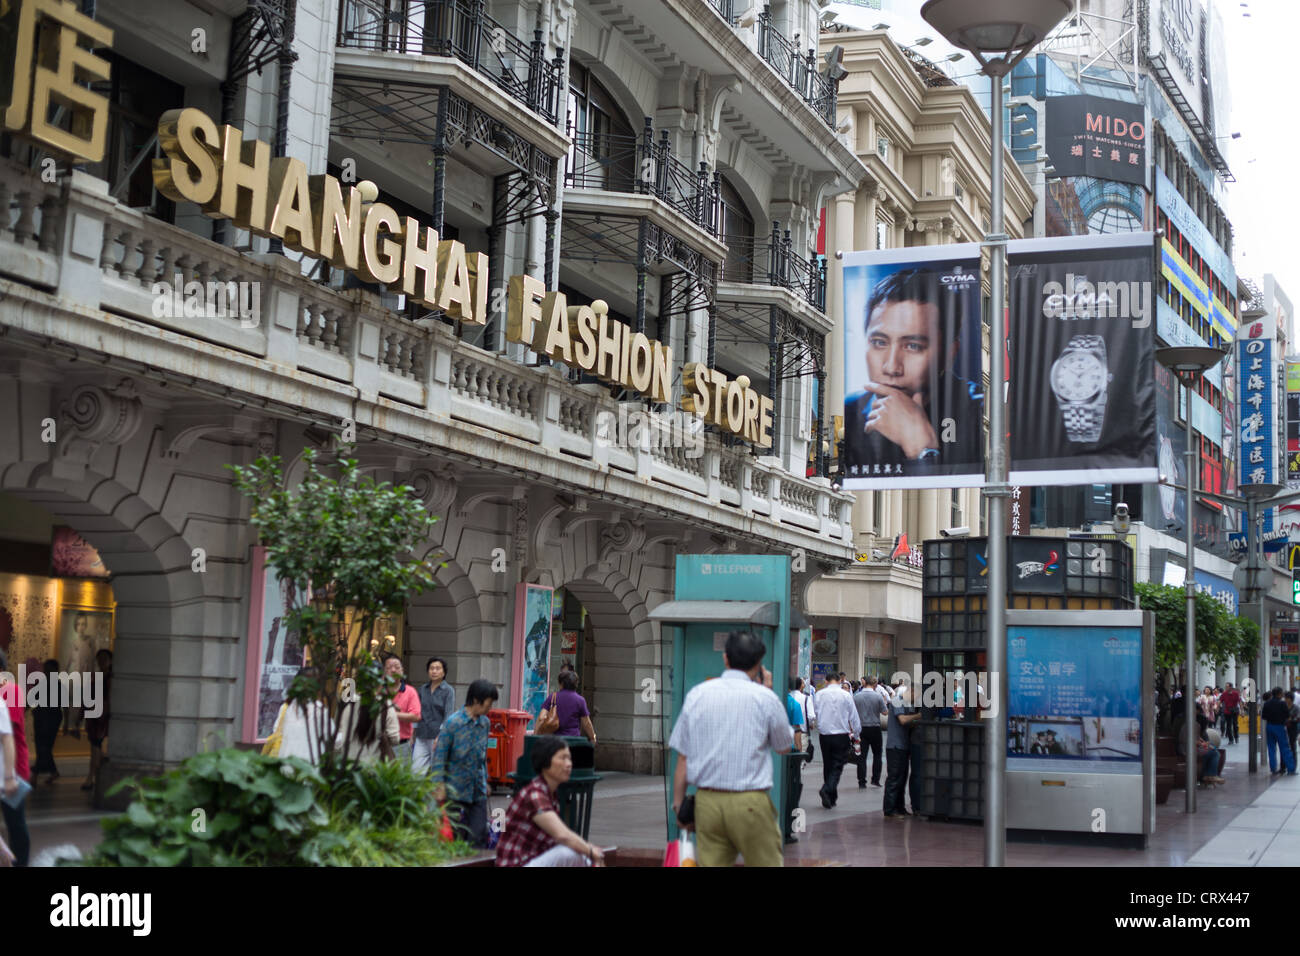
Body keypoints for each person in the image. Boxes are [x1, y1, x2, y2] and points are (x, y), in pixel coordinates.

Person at [668, 631, 792, 867]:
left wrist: (679, 805)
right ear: (759, 664)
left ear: (725, 658)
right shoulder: (765, 698)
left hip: (707, 802)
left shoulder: (698, 694)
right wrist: (767, 690)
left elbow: (683, 758)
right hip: (750, 802)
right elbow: (784, 746)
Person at [843, 267, 982, 477]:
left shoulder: (977, 410)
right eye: (879, 342)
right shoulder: (850, 410)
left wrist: (923, 450)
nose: (891, 367)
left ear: (949, 353)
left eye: (913, 346)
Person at [495, 736, 605, 867]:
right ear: (545, 762)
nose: (569, 764)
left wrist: (589, 852)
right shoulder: (535, 793)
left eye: (569, 758)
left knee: (579, 853)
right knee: (568, 853)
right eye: (562, 758)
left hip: (533, 859)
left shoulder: (550, 793)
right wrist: (590, 851)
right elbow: (562, 835)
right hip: (516, 863)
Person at [432, 678, 498, 848]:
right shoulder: (453, 723)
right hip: (454, 789)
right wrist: (439, 785)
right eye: (489, 703)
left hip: (478, 789)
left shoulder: (485, 723)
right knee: (454, 837)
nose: (490, 708)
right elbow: (440, 757)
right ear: (476, 700)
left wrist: (486, 781)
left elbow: (482, 756)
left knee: (478, 835)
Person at [813, 666, 861, 808]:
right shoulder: (846, 695)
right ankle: (827, 789)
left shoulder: (819, 694)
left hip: (825, 735)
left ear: (826, 681)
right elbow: (854, 717)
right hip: (841, 734)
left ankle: (830, 797)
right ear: (840, 681)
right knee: (838, 765)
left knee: (828, 764)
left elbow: (815, 713)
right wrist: (856, 734)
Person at [0, 650, 30, 866]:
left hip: (12, 769)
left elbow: (7, 736)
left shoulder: (11, 692)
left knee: (15, 823)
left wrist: (10, 776)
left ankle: (19, 863)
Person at [883, 683, 922, 818]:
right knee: (894, 778)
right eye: (917, 696)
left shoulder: (907, 704)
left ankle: (900, 807)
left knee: (901, 779)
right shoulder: (897, 701)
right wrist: (918, 716)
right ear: (912, 691)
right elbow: (903, 720)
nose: (917, 699)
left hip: (903, 746)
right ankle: (889, 809)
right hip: (895, 746)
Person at [333, 683, 400, 763]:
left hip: (348, 763)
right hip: (374, 763)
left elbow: (337, 736)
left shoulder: (347, 702)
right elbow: (395, 739)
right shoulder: (385, 704)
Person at [413, 657, 455, 774]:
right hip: (421, 735)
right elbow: (417, 712)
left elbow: (448, 715)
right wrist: (413, 733)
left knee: (436, 772)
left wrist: (440, 736)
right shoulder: (423, 689)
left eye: (437, 668)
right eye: (431, 668)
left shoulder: (448, 690)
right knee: (416, 771)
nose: (434, 671)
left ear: (444, 672)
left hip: (437, 736)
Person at [537, 670, 597, 746]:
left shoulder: (552, 697)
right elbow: (586, 723)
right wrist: (592, 737)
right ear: (576, 684)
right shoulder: (580, 700)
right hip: (573, 741)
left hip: (554, 741)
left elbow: (541, 718)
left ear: (561, 684)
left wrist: (535, 736)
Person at [82, 649, 111, 793]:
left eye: (104, 659)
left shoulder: (111, 677)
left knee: (98, 747)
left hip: (104, 716)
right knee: (95, 747)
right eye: (99, 659)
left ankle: (92, 777)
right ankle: (93, 776)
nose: (101, 661)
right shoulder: (95, 676)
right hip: (94, 714)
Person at [383, 655, 421, 763]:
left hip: (402, 743)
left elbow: (416, 716)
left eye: (396, 667)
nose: (393, 670)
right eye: (389, 667)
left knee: (402, 771)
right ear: (384, 671)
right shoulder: (379, 691)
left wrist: (391, 714)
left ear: (402, 671)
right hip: (380, 742)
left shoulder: (410, 691)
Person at [31, 658, 62, 783]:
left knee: (44, 747)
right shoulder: (41, 684)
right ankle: (53, 772)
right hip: (41, 717)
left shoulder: (59, 686)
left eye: (50, 670)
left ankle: (35, 775)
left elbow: (64, 705)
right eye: (46, 669)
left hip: (51, 719)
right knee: (43, 747)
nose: (47, 672)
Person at [853, 676, 887, 788]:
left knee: (861, 756)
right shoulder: (878, 696)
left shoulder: (856, 696)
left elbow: (853, 713)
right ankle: (875, 779)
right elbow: (885, 712)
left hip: (861, 728)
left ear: (864, 683)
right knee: (877, 754)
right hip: (875, 727)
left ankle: (861, 781)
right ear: (875, 684)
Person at [1262, 687, 1297, 776]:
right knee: (1284, 748)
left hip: (1269, 726)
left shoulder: (1267, 703)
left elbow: (1264, 717)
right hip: (1280, 727)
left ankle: (1273, 769)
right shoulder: (1282, 703)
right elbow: (1287, 716)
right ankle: (1290, 769)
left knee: (1271, 748)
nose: (1282, 695)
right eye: (1281, 693)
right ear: (1279, 694)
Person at [1287, 692, 1300, 766]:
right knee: (1286, 747)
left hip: (1293, 729)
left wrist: (1291, 719)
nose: (1285, 699)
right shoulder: (1284, 706)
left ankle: (1293, 765)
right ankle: (1285, 765)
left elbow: (1298, 718)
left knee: (1292, 746)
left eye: (1287, 698)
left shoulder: (1296, 707)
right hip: (1284, 729)